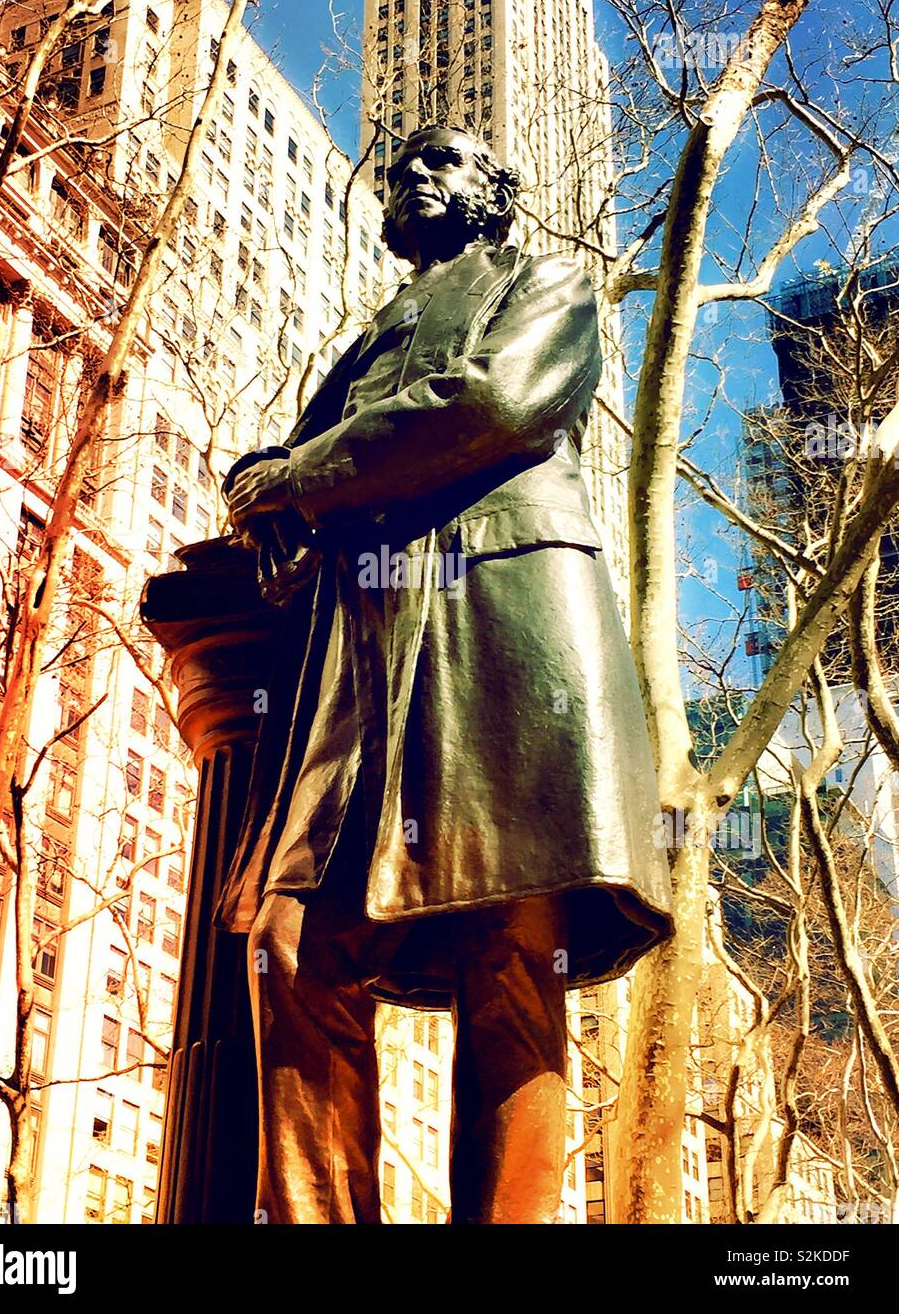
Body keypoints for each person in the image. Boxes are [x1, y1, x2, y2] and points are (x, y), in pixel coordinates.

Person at [217, 125, 674, 1223]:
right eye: (399, 169)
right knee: (288, 938)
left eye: (441, 162)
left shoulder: (547, 279)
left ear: (492, 194)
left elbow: (496, 405)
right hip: (359, 648)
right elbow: (290, 478)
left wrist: (295, 477)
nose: (412, 178)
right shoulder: (374, 333)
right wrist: (261, 491)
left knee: (513, 940)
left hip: (500, 623)